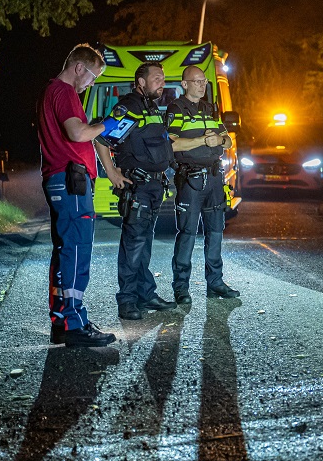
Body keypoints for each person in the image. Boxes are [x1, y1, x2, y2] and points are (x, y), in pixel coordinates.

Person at [36, 44, 116, 347]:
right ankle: (74, 323)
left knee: (65, 250)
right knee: (77, 250)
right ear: (79, 68)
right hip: (71, 181)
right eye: (93, 77)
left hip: (62, 180)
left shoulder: (51, 91)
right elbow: (78, 134)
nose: (91, 84)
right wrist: (107, 123)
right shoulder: (65, 91)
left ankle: (62, 320)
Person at [93, 63, 177, 320]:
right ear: (140, 82)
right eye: (156, 78)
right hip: (138, 187)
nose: (161, 82)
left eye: (163, 78)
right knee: (133, 244)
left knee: (144, 244)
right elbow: (101, 138)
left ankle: (145, 293)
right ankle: (127, 300)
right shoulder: (130, 107)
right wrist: (112, 172)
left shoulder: (151, 108)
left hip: (153, 186)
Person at [165, 66, 239, 303]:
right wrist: (202, 140)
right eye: (196, 81)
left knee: (216, 232)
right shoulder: (176, 109)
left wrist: (219, 139)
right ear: (184, 84)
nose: (202, 85)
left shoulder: (210, 109)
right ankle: (181, 288)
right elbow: (173, 144)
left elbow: (227, 140)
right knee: (187, 233)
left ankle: (215, 283)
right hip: (190, 179)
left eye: (204, 81)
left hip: (215, 178)